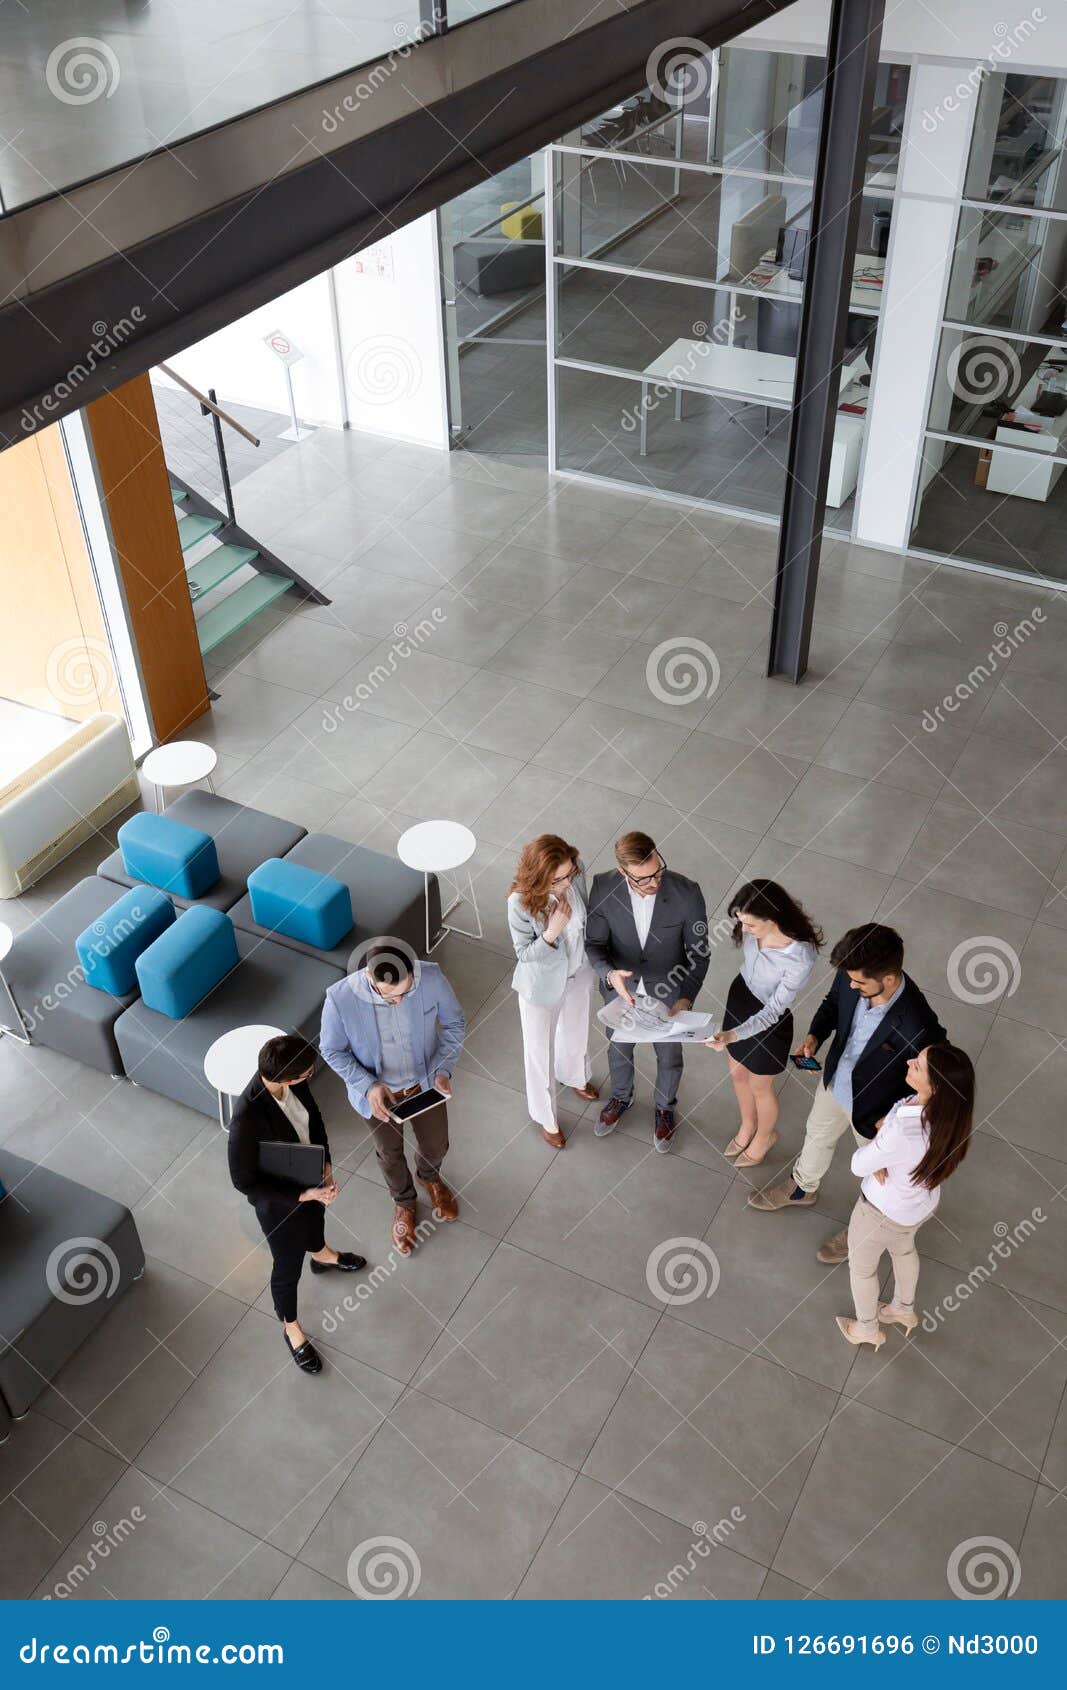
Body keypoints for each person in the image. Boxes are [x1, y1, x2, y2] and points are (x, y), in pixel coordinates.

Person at [748, 923, 947, 1266]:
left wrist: (896, 1118)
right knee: (817, 1135)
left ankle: (864, 1231)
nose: (852, 985)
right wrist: (815, 1036)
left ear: (887, 978)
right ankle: (802, 1188)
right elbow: (832, 1003)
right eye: (850, 979)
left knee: (880, 1177)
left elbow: (936, 1076)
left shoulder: (918, 1023)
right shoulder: (851, 976)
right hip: (836, 1080)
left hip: (876, 1112)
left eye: (859, 983)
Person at [228, 1035, 367, 1375]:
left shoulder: (293, 1083)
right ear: (286, 1077)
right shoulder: (246, 1119)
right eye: (306, 1072)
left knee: (316, 1223)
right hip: (281, 1203)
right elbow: (244, 1182)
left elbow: (314, 1119)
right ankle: (291, 1327)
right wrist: (303, 1195)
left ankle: (321, 1255)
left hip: (310, 1174)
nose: (311, 1074)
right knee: (287, 1266)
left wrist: (327, 1163)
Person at [320, 943, 465, 1257]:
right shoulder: (340, 998)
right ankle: (404, 1203)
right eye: (392, 996)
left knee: (436, 1144)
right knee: (389, 1152)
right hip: (378, 1096)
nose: (400, 1000)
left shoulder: (431, 976)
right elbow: (331, 1050)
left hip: (425, 1085)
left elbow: (454, 1023)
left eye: (407, 991)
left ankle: (429, 1177)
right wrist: (368, 1086)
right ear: (371, 978)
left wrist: (443, 1070)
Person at [836, 1043, 974, 1349]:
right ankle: (902, 1309)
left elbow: (858, 1165)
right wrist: (888, 1132)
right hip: (918, 1207)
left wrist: (881, 1148)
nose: (909, 1061)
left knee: (861, 1269)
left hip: (880, 1212)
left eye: (918, 1066)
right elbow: (903, 1124)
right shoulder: (951, 1119)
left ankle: (867, 1329)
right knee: (903, 1249)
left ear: (935, 1087)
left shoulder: (904, 1134)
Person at [585, 830, 709, 1152]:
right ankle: (621, 1098)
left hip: (669, 990)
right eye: (643, 879)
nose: (655, 882)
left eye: (657, 871)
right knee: (618, 1050)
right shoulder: (602, 887)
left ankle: (665, 1107)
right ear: (623, 872)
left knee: (669, 1054)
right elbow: (595, 944)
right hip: (620, 988)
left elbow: (699, 953)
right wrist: (610, 975)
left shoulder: (687, 892)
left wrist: (685, 997)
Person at [703, 879, 822, 1167]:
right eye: (742, 922)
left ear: (773, 919)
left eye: (751, 925)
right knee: (737, 1074)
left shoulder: (800, 957)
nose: (744, 931)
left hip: (768, 1020)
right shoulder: (750, 928)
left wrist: (732, 1035)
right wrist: (733, 1034)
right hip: (741, 997)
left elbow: (771, 1012)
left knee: (760, 1086)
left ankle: (765, 1136)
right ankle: (747, 1125)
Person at [507, 834, 599, 1148]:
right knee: (538, 1053)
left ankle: (574, 1076)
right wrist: (551, 932)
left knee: (575, 1033)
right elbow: (523, 954)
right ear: (540, 876)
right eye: (557, 879)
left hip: (578, 972)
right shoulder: (519, 903)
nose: (565, 883)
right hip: (541, 988)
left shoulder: (577, 871)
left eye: (569, 875)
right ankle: (546, 1117)